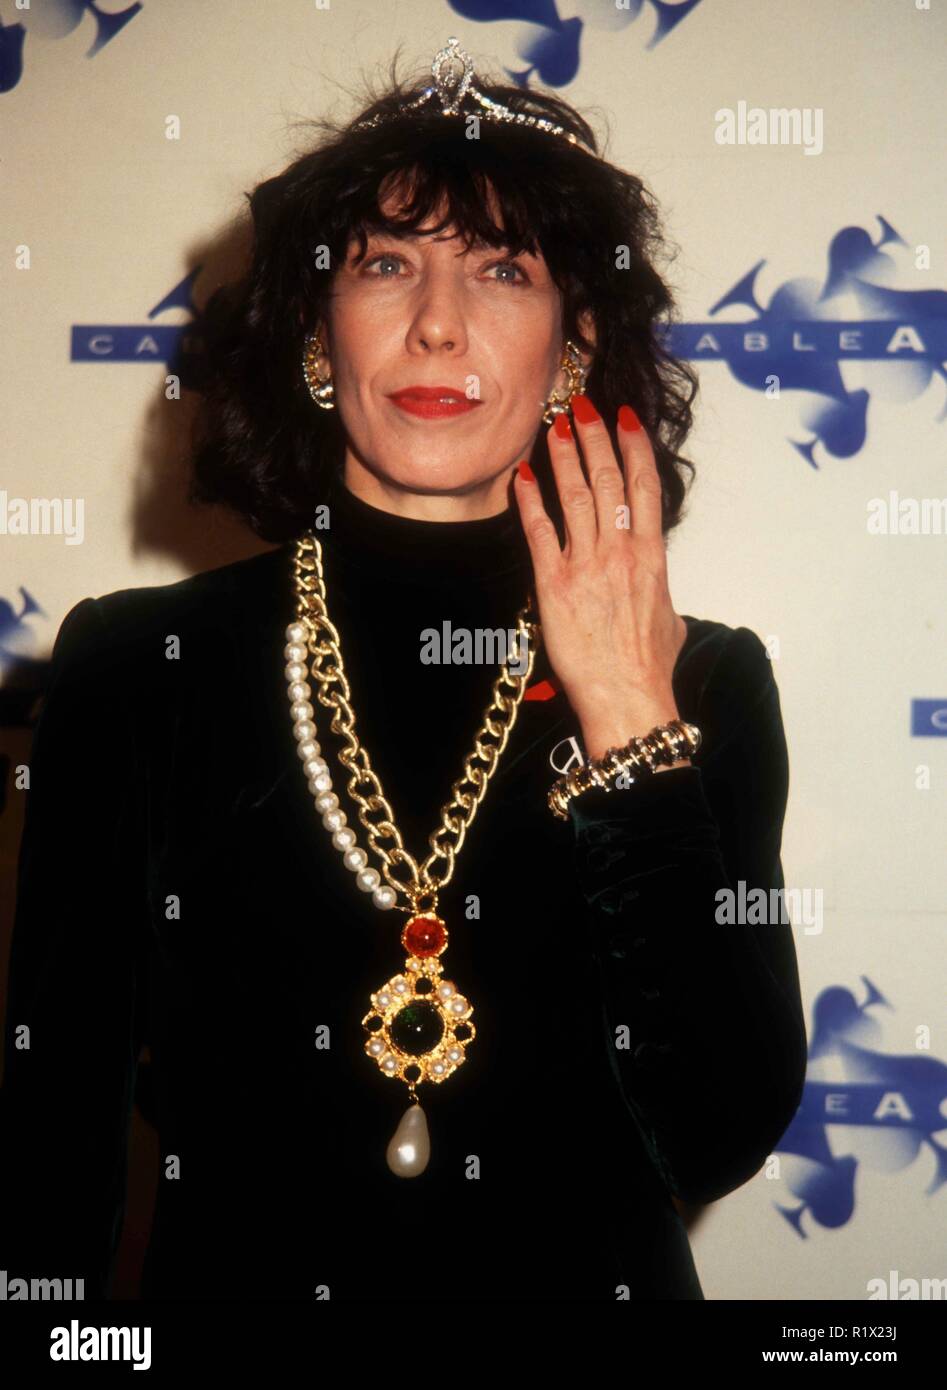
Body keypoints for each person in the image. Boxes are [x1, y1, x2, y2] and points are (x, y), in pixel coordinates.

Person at [0, 37, 807, 1301]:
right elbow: (47, 1155)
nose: (437, 321)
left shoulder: (702, 682)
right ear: (318, 336)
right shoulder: (137, 664)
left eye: (501, 268)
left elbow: (714, 1136)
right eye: (385, 264)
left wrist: (627, 721)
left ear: (575, 347)